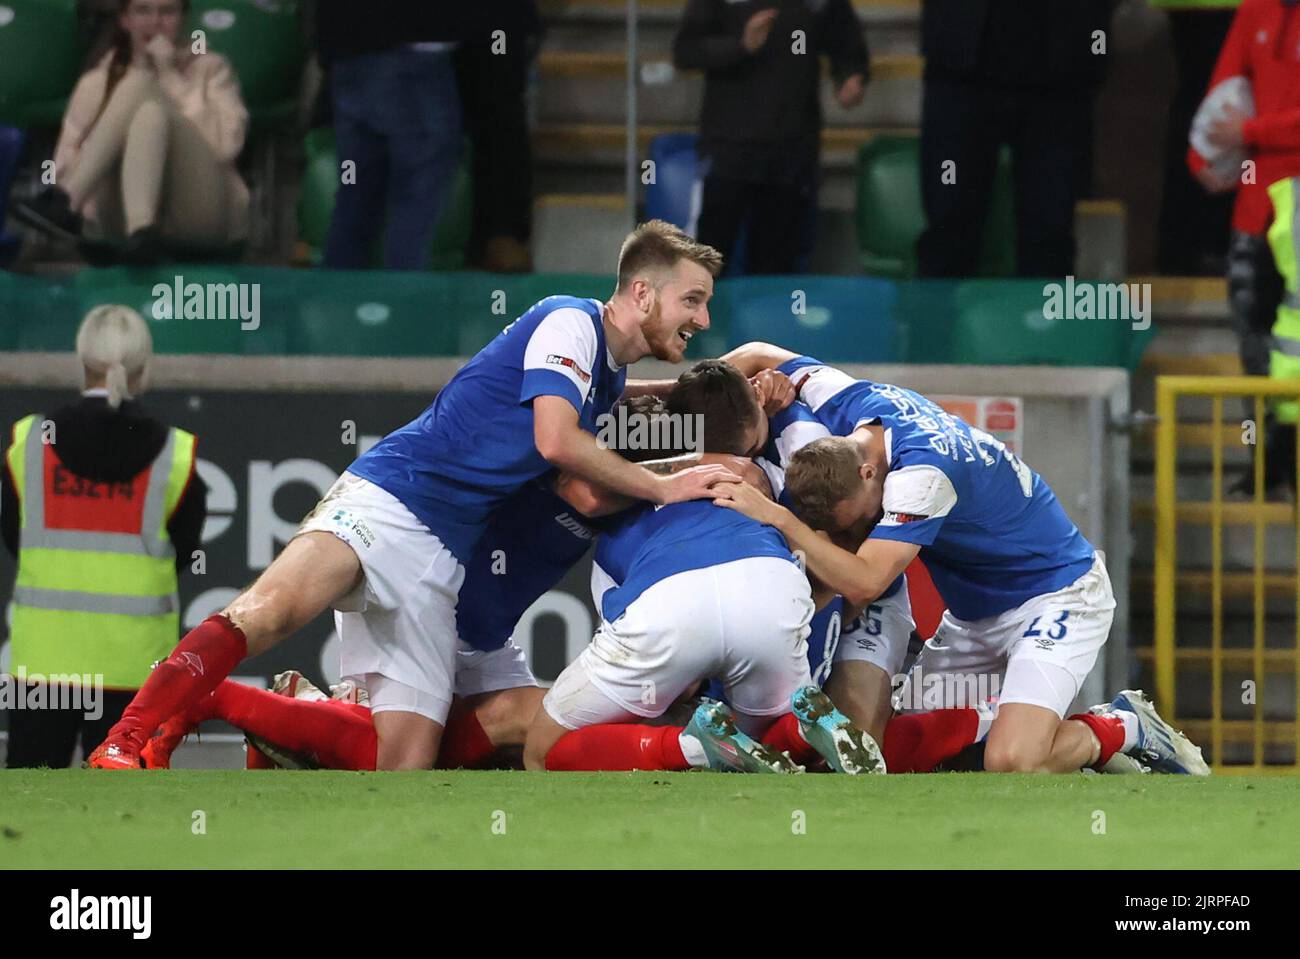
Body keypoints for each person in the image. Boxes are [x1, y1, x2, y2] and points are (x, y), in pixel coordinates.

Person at [88, 220, 738, 771]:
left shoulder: (605, 371)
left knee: (403, 762)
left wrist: (737, 378)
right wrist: (662, 483)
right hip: (391, 495)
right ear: (643, 293)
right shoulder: (570, 322)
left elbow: (612, 407)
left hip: (439, 557)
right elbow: (555, 440)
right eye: (693, 300)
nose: (702, 318)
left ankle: (250, 707)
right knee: (270, 612)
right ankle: (126, 738)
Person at [710, 344, 1211, 775]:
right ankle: (1031, 725)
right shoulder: (852, 401)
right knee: (903, 752)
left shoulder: (922, 478)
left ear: (868, 474)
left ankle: (1124, 727)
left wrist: (780, 518)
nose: (861, 530)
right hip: (974, 617)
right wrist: (680, 392)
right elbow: (755, 351)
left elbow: (865, 581)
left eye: (862, 518)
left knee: (1015, 762)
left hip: (1056, 595)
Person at [2, 305, 206, 768]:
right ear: (143, 367)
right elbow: (186, 550)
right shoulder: (176, 452)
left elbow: (13, 537)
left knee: (32, 813)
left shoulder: (29, 440)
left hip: (42, 667)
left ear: (82, 360)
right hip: (134, 671)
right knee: (130, 819)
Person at [11, 0, 249, 263]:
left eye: (168, 11)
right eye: (143, 10)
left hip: (196, 212)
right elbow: (63, 163)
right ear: (125, 20)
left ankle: (67, 203)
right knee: (147, 109)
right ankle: (141, 229)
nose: (155, 22)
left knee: (142, 88)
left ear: (184, 18)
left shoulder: (212, 69)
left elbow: (225, 147)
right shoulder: (96, 83)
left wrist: (170, 77)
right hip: (117, 216)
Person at [1187, 0, 1300, 492]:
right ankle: (1266, 464)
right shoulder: (1256, 9)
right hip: (1256, 208)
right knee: (1253, 343)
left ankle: (1288, 462)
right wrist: (1203, 155)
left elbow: (1243, 120)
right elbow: (1225, 88)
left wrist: (1250, 132)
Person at [915, 0, 1114, 278]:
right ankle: (939, 320)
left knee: (1051, 236)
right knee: (947, 225)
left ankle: (1046, 322)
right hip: (959, 69)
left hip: (1062, 79)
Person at [673, 0, 868, 275]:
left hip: (792, 151)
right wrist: (740, 47)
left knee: (777, 269)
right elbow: (686, 51)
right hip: (729, 149)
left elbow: (846, 41)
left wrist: (851, 76)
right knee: (708, 265)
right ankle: (706, 319)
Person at [315, 2, 467, 270]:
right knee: (414, 205)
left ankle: (336, 304)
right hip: (412, 53)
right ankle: (405, 306)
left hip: (347, 48)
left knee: (354, 202)